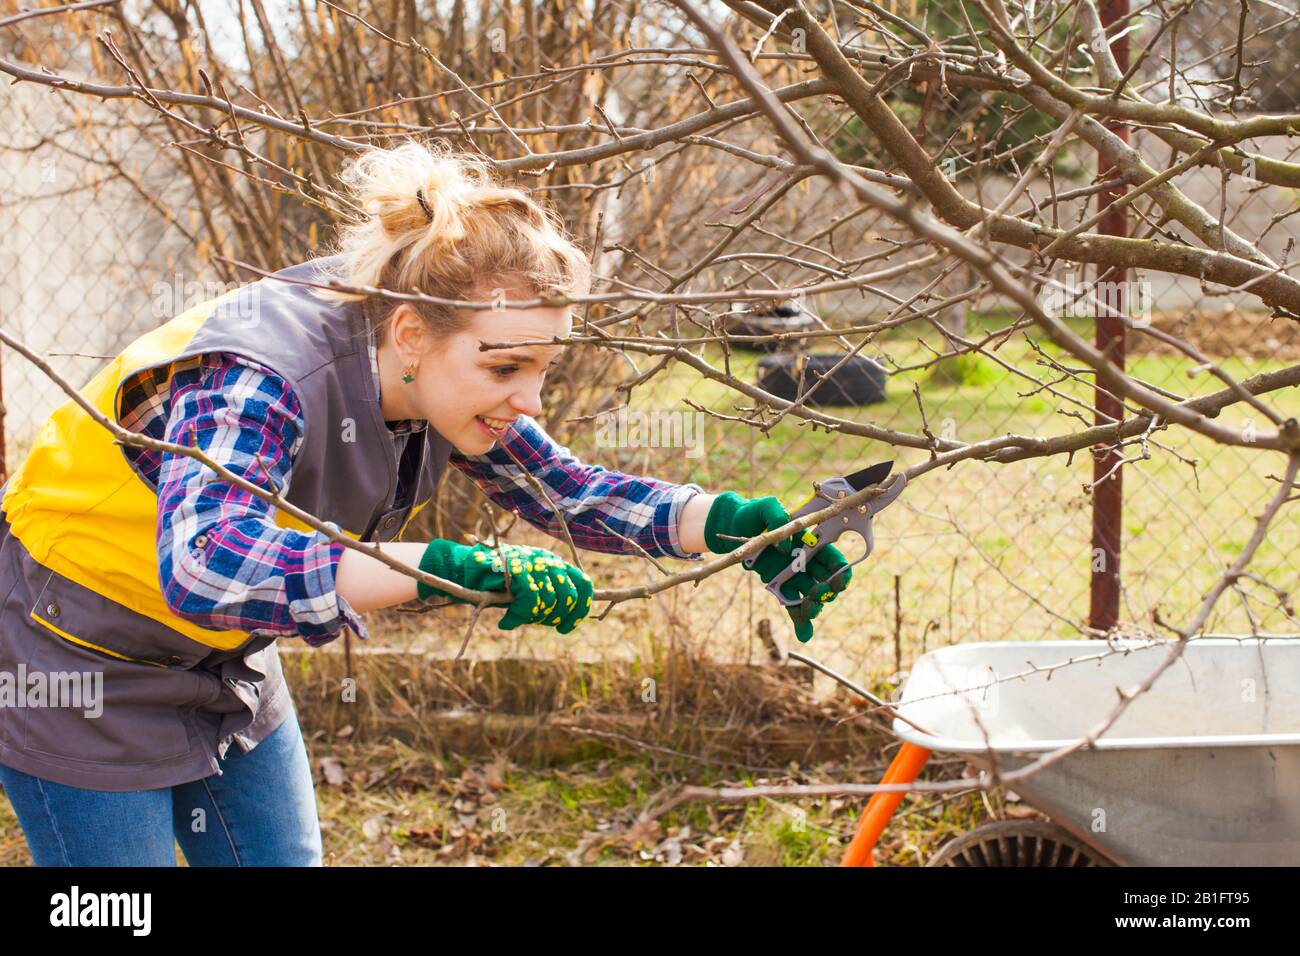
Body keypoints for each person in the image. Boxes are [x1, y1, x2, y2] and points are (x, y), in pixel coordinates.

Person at [0, 141, 854, 866]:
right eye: (507, 369)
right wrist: (435, 570)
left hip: (221, 661)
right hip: (76, 656)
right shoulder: (258, 377)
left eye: (541, 371)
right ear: (411, 334)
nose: (530, 401)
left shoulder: (439, 369)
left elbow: (568, 491)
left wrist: (732, 526)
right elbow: (206, 562)